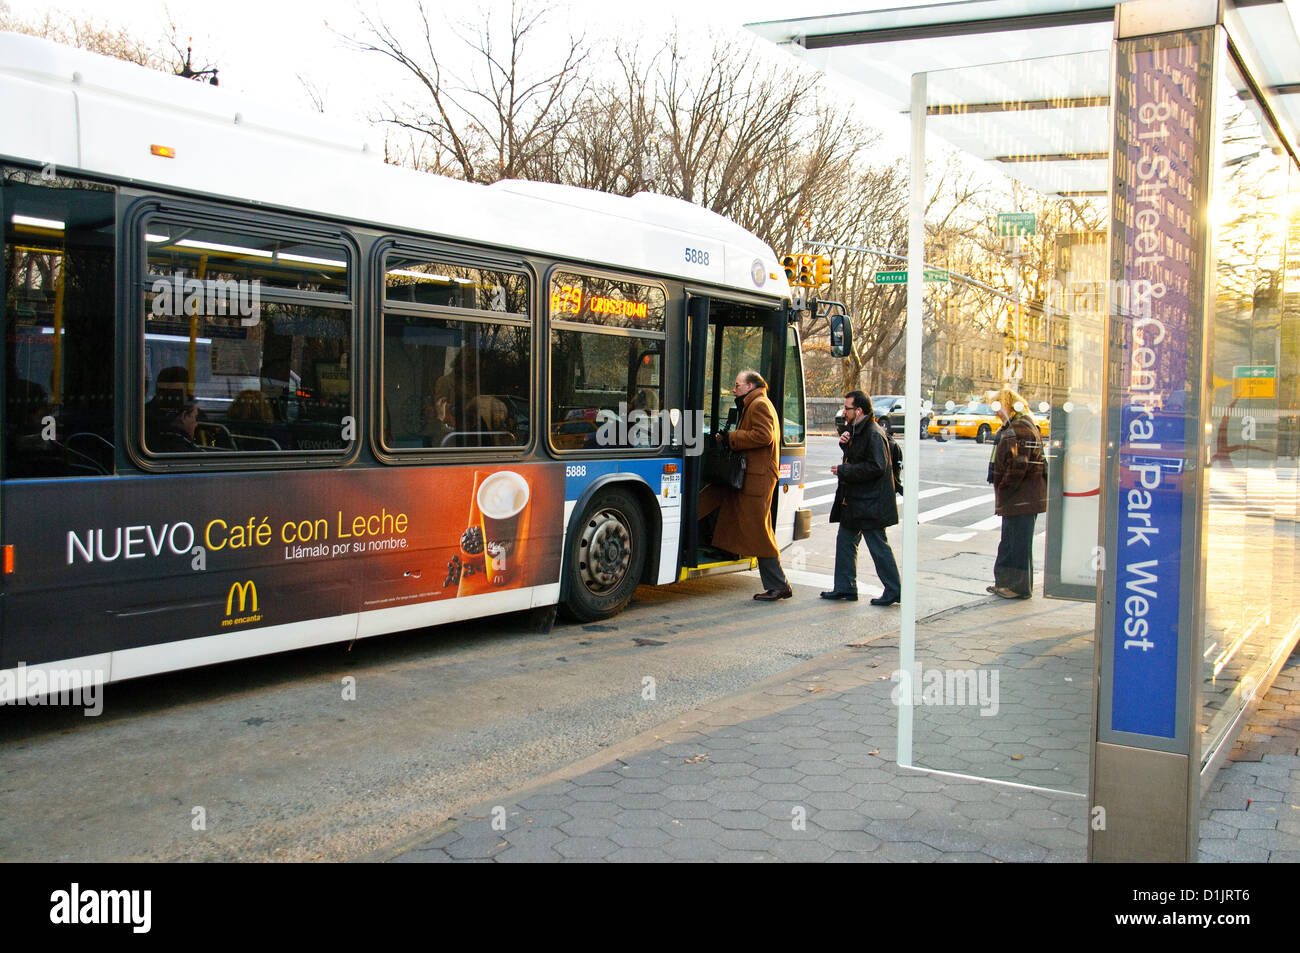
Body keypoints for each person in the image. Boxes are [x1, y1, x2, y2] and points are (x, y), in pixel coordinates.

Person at [698, 369, 791, 602]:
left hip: (757, 478)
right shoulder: (754, 403)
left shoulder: (759, 404)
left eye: (738, 385)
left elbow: (764, 436)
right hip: (751, 477)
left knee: (759, 531)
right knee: (751, 526)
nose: (734, 389)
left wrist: (732, 438)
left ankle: (779, 585)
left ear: (750, 386)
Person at [822, 390, 901, 606]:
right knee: (845, 541)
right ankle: (845, 587)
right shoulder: (859, 430)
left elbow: (877, 466)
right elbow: (860, 456)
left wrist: (844, 470)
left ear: (858, 411)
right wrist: (845, 445)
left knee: (878, 546)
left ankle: (894, 590)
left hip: (870, 503)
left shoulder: (873, 433)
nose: (844, 412)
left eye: (847, 408)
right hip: (857, 501)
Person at [987, 387, 1047, 599]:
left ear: (1008, 406)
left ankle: (1018, 588)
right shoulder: (1020, 426)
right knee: (1011, 542)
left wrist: (1003, 488)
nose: (995, 412)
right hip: (1023, 497)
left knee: (1018, 544)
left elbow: (1018, 466)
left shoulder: (1019, 429)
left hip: (1021, 497)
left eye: (997, 406)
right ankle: (1005, 583)